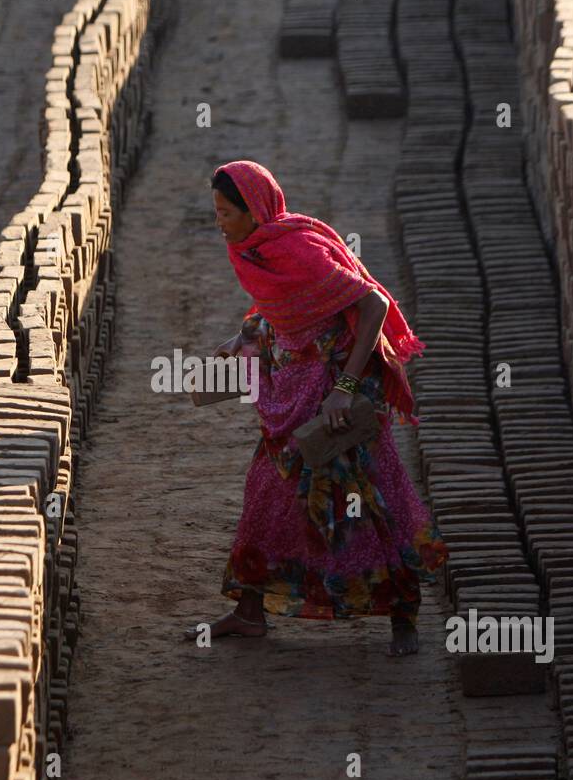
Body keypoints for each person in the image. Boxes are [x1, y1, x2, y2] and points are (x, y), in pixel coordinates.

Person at [188, 159, 449, 657]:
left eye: (225, 213)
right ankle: (248, 610)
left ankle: (403, 614)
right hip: (289, 387)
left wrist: (345, 387)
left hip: (335, 395)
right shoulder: (252, 251)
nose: (218, 222)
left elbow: (371, 304)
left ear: (255, 210)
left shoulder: (298, 249)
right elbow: (282, 307)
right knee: (266, 492)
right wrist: (241, 338)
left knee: (366, 496)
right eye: (215, 212)